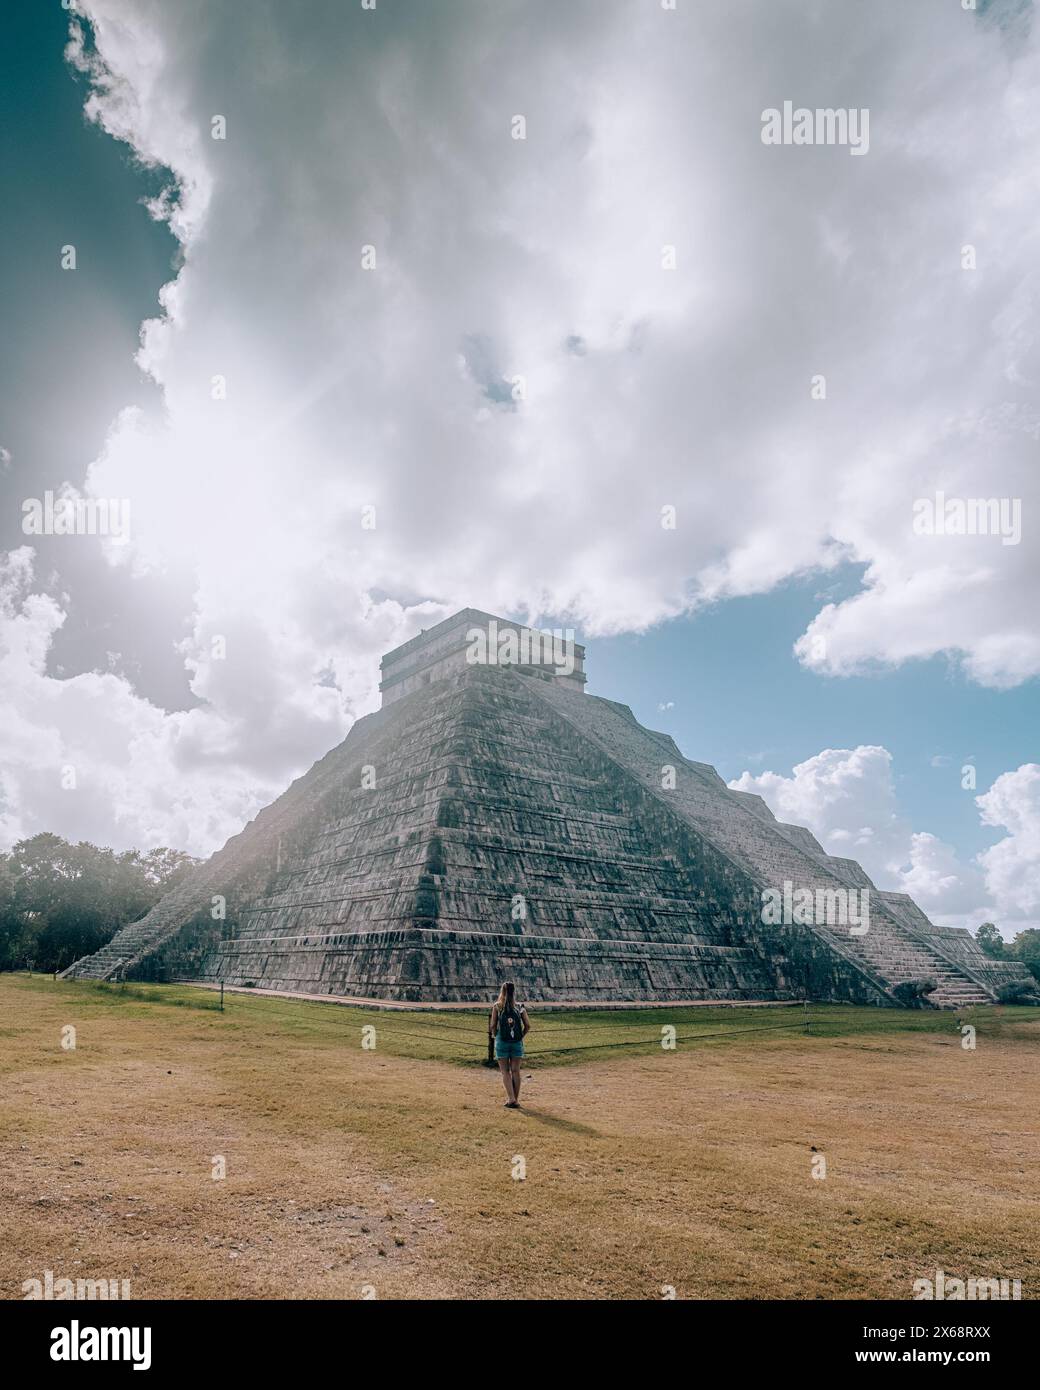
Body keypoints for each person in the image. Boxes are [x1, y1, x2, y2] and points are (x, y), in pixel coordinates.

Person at [489, 980, 529, 1107]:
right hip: (516, 1041)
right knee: (516, 1071)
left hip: (502, 1040)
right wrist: (520, 1036)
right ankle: (515, 1099)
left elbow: (493, 1025)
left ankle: (511, 1099)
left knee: (505, 1071)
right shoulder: (519, 1006)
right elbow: (528, 1025)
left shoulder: (497, 1006)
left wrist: (496, 1035)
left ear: (502, 991)